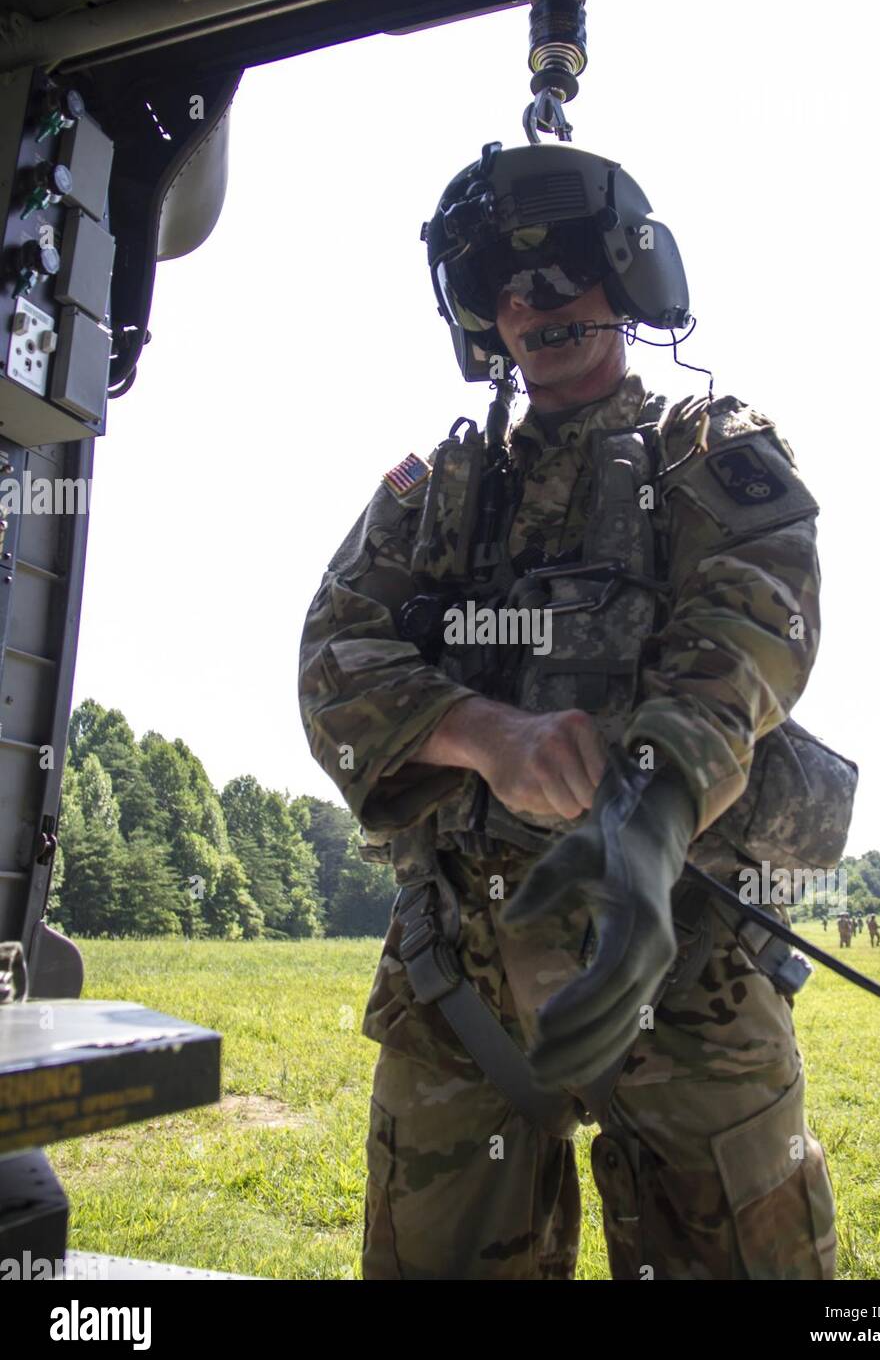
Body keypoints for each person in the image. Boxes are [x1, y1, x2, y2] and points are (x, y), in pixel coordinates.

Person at [299, 140, 837, 1280]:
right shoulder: (430, 492)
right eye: (497, 286)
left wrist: (642, 822)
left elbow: (747, 634)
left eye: (559, 274)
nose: (529, 304)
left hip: (686, 967)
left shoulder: (712, 452)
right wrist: (484, 735)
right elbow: (332, 658)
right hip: (458, 981)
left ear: (629, 279)